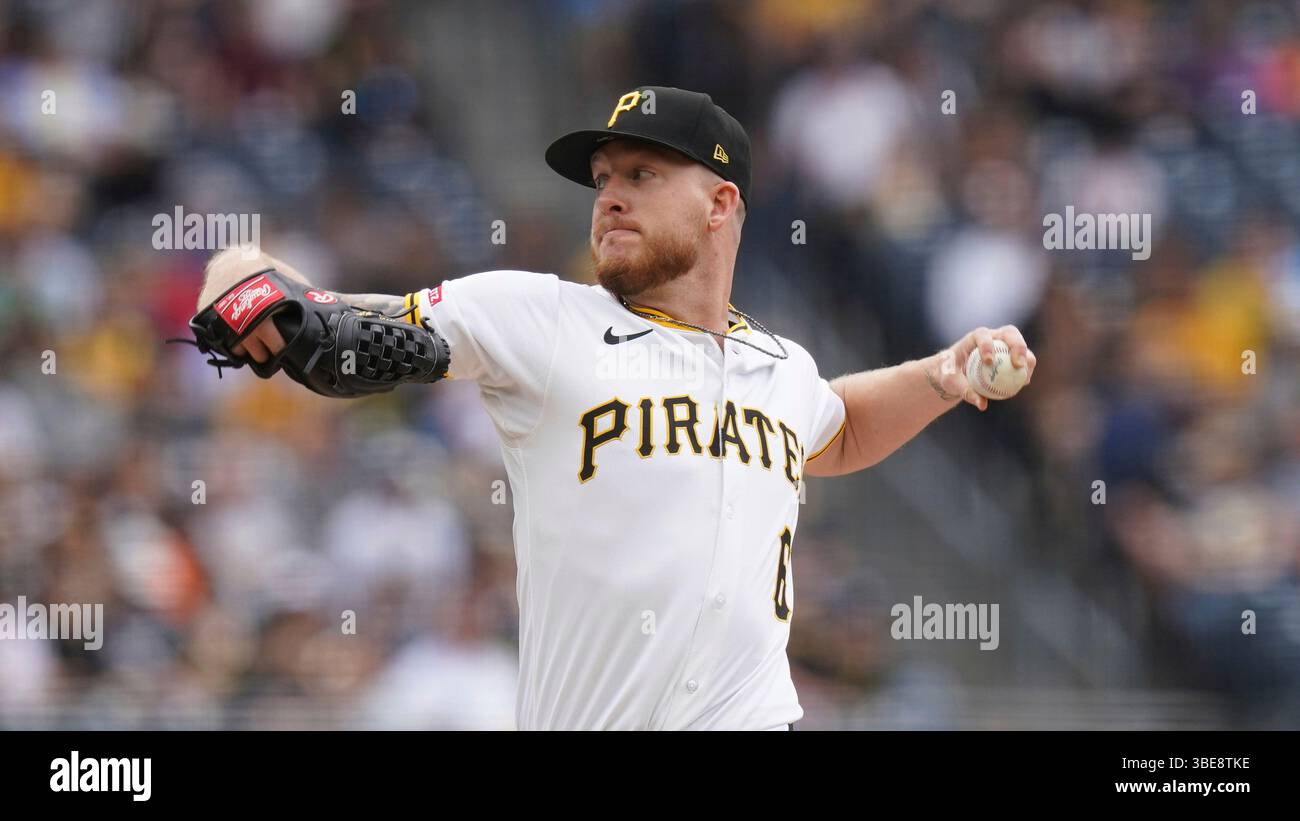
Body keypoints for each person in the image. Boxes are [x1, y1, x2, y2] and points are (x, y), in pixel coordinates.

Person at [190, 86, 1036, 730]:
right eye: (602, 179)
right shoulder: (540, 317)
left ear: (722, 204)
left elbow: (838, 423)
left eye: (642, 173)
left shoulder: (780, 368)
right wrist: (245, 279)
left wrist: (942, 374)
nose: (609, 197)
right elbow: (345, 337)